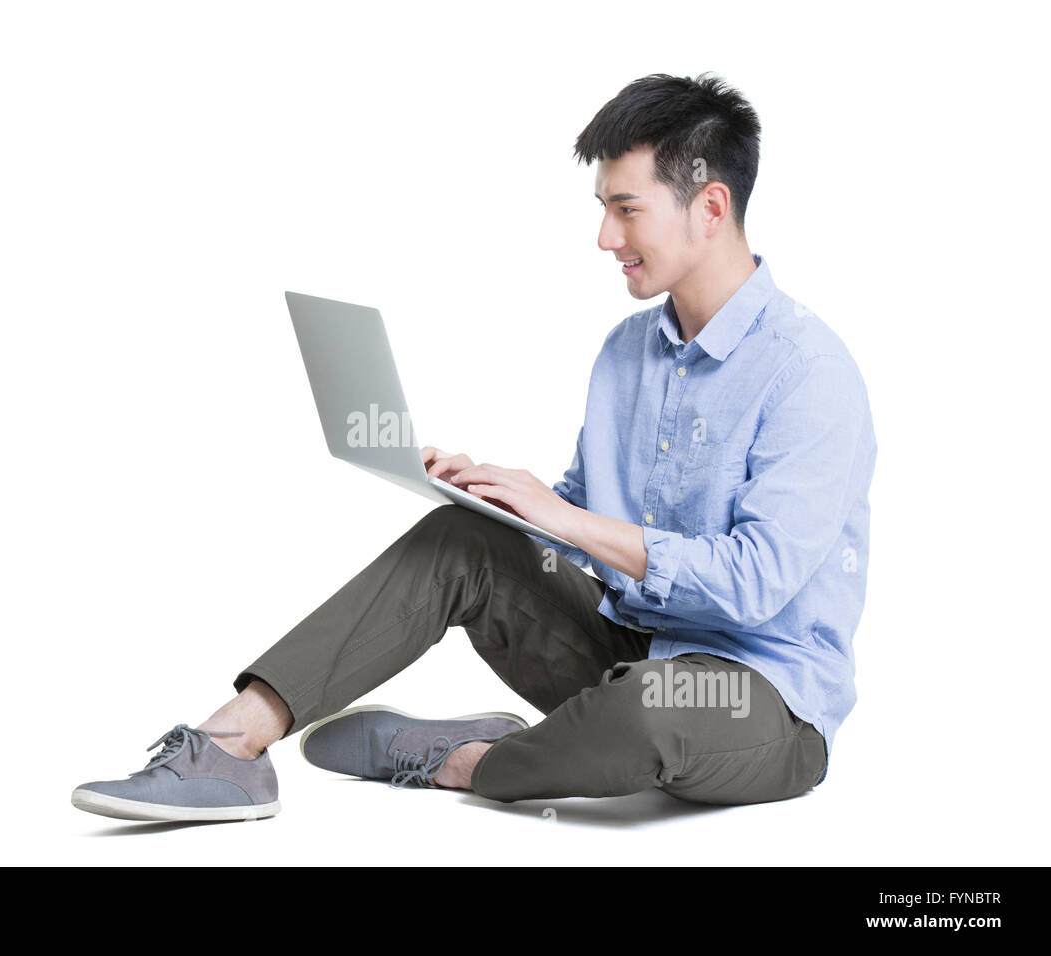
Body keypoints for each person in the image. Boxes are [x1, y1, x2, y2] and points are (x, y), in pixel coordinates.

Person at [71, 72, 877, 823]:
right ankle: (232, 746)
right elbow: (585, 522)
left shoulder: (807, 371)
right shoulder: (627, 352)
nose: (604, 236)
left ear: (710, 205)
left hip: (763, 698)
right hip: (630, 650)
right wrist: (498, 500)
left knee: (644, 713)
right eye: (603, 208)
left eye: (627, 209)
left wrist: (562, 516)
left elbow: (755, 582)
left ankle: (460, 758)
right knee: (464, 538)